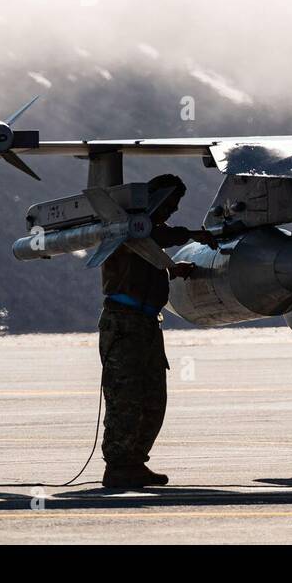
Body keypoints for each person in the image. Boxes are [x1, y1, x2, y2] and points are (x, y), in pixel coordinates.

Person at [98, 173, 215, 489]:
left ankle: (134, 461)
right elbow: (152, 238)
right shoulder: (126, 228)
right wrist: (191, 235)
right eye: (171, 204)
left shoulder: (148, 236)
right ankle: (119, 466)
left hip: (146, 324)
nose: (171, 211)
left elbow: (155, 244)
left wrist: (175, 267)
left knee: (152, 398)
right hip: (124, 323)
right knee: (126, 397)